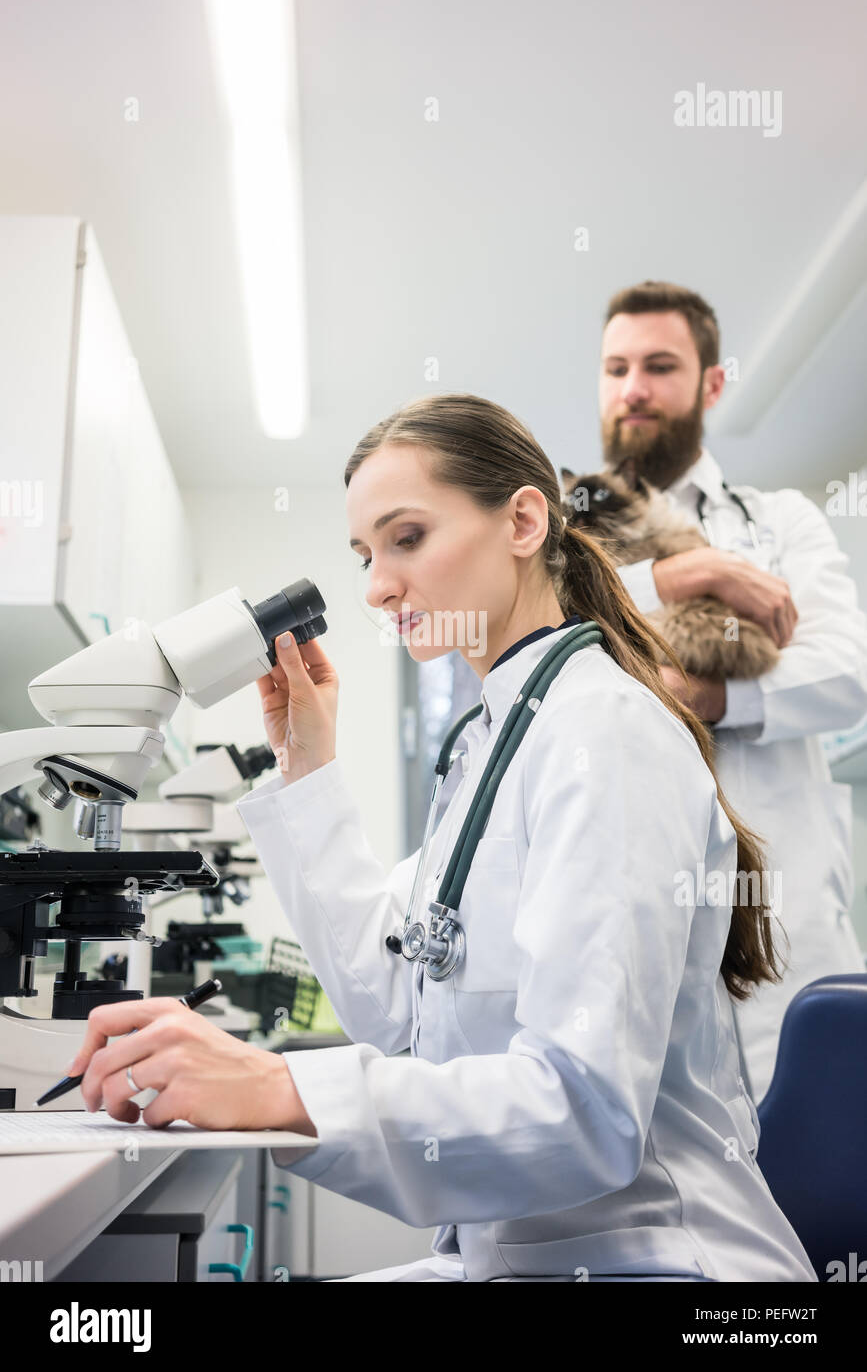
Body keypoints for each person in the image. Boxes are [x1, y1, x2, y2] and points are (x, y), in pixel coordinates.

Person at [64, 392, 818, 1283]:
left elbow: (584, 1110)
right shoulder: (493, 743)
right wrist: (309, 769)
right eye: (364, 555)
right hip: (523, 1258)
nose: (377, 585)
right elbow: (395, 1007)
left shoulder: (601, 731)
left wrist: (277, 1084)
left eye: (407, 537)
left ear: (524, 521)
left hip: (667, 1266)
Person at [596, 281, 867, 1102]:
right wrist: (687, 574)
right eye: (614, 368)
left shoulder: (779, 522)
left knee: (814, 1169)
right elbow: (556, 627)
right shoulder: (571, 531)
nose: (632, 387)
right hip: (632, 909)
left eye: (658, 365)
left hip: (786, 908)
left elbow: (847, 670)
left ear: (711, 384)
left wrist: (710, 701)